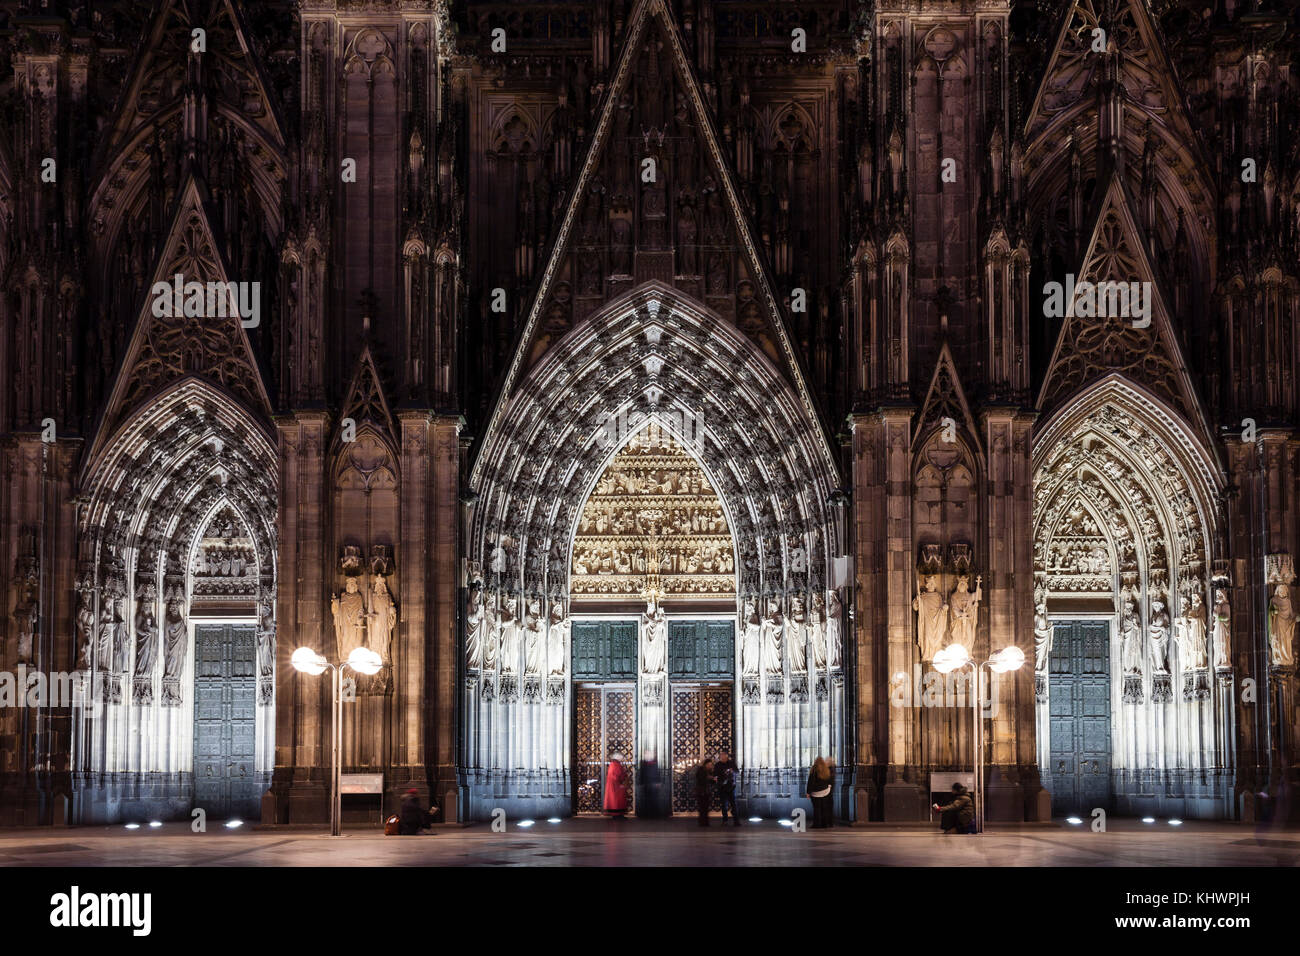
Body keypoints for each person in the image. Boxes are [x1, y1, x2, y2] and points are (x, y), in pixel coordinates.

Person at [805, 756, 834, 829]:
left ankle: (817, 824)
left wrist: (808, 792)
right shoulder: (826, 769)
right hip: (825, 791)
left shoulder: (814, 769)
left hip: (816, 792)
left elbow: (811, 781)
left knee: (817, 809)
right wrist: (829, 787)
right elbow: (829, 780)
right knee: (824, 808)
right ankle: (824, 824)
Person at [714, 752, 740, 825]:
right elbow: (715, 774)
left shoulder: (731, 763)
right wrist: (721, 775)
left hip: (731, 786)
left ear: (727, 757)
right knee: (723, 804)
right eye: (722, 757)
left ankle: (736, 820)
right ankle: (725, 820)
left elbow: (737, 771)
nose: (723, 758)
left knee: (733, 804)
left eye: (724, 757)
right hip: (722, 787)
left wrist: (732, 771)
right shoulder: (717, 765)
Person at [604, 753, 630, 818]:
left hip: (614, 785)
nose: (622, 759)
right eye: (621, 757)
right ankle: (617, 814)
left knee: (615, 800)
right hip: (616, 785)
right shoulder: (616, 764)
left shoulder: (612, 764)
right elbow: (618, 775)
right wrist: (623, 778)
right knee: (617, 801)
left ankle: (617, 814)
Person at [695, 758, 715, 826]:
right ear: (705, 764)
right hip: (701, 791)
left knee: (706, 807)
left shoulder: (709, 771)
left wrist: (713, 780)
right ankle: (702, 822)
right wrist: (709, 778)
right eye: (709, 764)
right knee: (702, 807)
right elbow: (701, 780)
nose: (710, 766)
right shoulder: (701, 770)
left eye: (711, 765)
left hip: (706, 791)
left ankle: (705, 821)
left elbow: (711, 782)